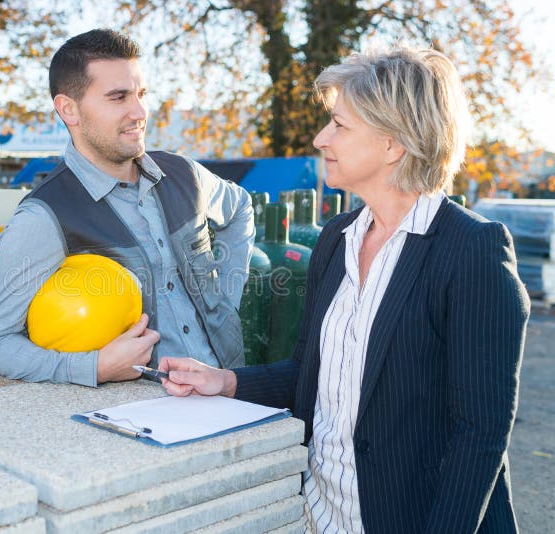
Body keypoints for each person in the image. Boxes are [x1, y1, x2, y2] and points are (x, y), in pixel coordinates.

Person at [160, 46, 529, 533]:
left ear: (392, 144)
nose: (320, 138)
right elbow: (310, 375)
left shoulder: (472, 250)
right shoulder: (338, 238)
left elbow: (479, 435)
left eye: (339, 125)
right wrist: (225, 382)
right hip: (321, 515)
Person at [0, 29, 254, 387]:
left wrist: (224, 303)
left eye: (141, 94)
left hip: (229, 388)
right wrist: (93, 368)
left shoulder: (185, 174)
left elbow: (241, 207)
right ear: (68, 109)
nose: (140, 112)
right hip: (140, 407)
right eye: (118, 97)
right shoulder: (44, 217)